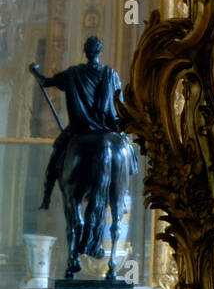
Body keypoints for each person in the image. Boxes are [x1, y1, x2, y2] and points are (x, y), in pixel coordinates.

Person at [32, 37, 139, 210]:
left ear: (85, 52)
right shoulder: (111, 74)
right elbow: (118, 103)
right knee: (128, 152)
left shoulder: (73, 73)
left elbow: (45, 82)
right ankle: (123, 192)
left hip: (79, 130)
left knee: (57, 154)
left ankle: (47, 196)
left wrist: (34, 72)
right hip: (107, 127)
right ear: (99, 52)